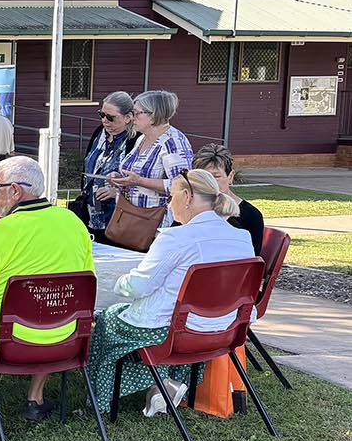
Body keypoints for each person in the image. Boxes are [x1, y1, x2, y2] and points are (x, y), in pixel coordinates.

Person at [85, 169, 254, 416]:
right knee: (140, 324)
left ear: (186, 196)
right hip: (224, 330)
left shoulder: (176, 237)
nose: (168, 203)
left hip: (178, 333)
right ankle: (162, 384)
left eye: (170, 196)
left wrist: (118, 281)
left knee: (109, 320)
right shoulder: (242, 237)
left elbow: (139, 286)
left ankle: (101, 401)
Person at [0, 155, 94, 422]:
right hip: (66, 338)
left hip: (6, 344)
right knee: (48, 306)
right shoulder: (74, 224)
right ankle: (35, 397)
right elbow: (87, 282)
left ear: (15, 190)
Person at [106, 90, 193, 224]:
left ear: (153, 115)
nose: (132, 117)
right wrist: (120, 178)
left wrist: (139, 181)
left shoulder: (173, 143)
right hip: (130, 218)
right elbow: (134, 174)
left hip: (156, 224)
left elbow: (183, 185)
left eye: (136, 113)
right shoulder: (141, 139)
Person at [80, 91, 136, 241]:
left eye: (110, 117)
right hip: (90, 212)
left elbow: (141, 179)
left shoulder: (136, 139)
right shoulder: (99, 132)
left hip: (117, 216)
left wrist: (115, 192)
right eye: (102, 115)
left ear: (128, 117)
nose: (105, 120)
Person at [194, 144, 263, 255]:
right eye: (204, 177)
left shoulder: (251, 215)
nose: (210, 183)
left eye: (216, 177)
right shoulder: (190, 209)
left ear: (230, 176)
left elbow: (252, 260)